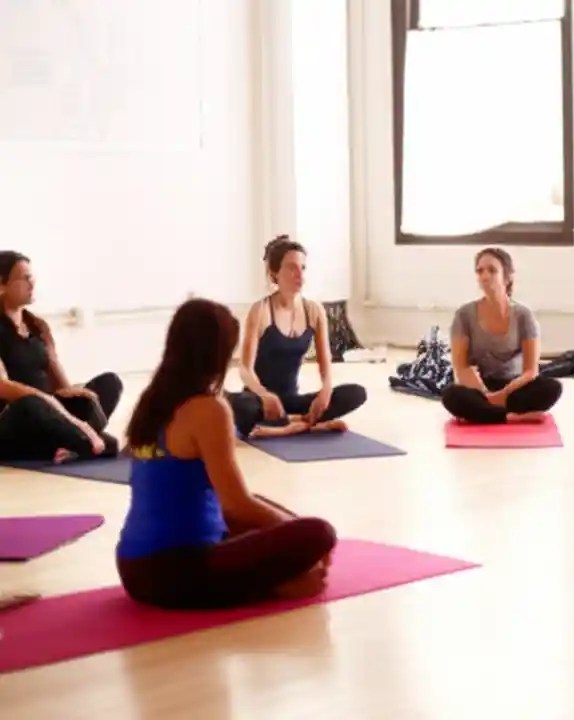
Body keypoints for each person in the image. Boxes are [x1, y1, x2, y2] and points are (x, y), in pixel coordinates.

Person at [115, 298, 337, 609]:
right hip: (177, 572)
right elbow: (236, 505)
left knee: (265, 510)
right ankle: (276, 586)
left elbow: (226, 503)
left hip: (132, 567)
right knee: (320, 533)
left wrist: (289, 526)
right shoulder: (209, 408)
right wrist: (299, 535)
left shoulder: (153, 402)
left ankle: (274, 575)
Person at [227, 236, 367, 438]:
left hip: (292, 401)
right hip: (260, 401)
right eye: (292, 267)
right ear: (275, 273)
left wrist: (325, 393)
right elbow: (245, 369)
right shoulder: (261, 311)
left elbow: (325, 364)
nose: (299, 274)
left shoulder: (314, 311)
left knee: (356, 392)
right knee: (241, 406)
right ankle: (307, 424)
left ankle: (288, 425)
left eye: (303, 268)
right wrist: (265, 395)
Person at [0, 251, 123, 463]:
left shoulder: (37, 326)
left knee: (109, 383)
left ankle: (69, 444)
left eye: (33, 278)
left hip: (51, 414)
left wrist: (75, 396)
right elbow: (3, 386)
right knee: (31, 404)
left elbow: (60, 383)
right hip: (16, 417)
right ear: (2, 285)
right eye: (25, 278)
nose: (32, 284)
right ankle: (75, 442)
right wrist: (47, 401)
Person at [441, 247, 562, 424]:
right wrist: (486, 394)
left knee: (552, 387)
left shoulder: (523, 315)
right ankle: (509, 417)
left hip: (513, 387)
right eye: (480, 271)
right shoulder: (464, 315)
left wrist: (502, 395)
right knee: (451, 395)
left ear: (507, 277)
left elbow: (530, 371)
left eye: (492, 270)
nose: (484, 276)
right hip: (479, 388)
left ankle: (487, 413)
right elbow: (460, 367)